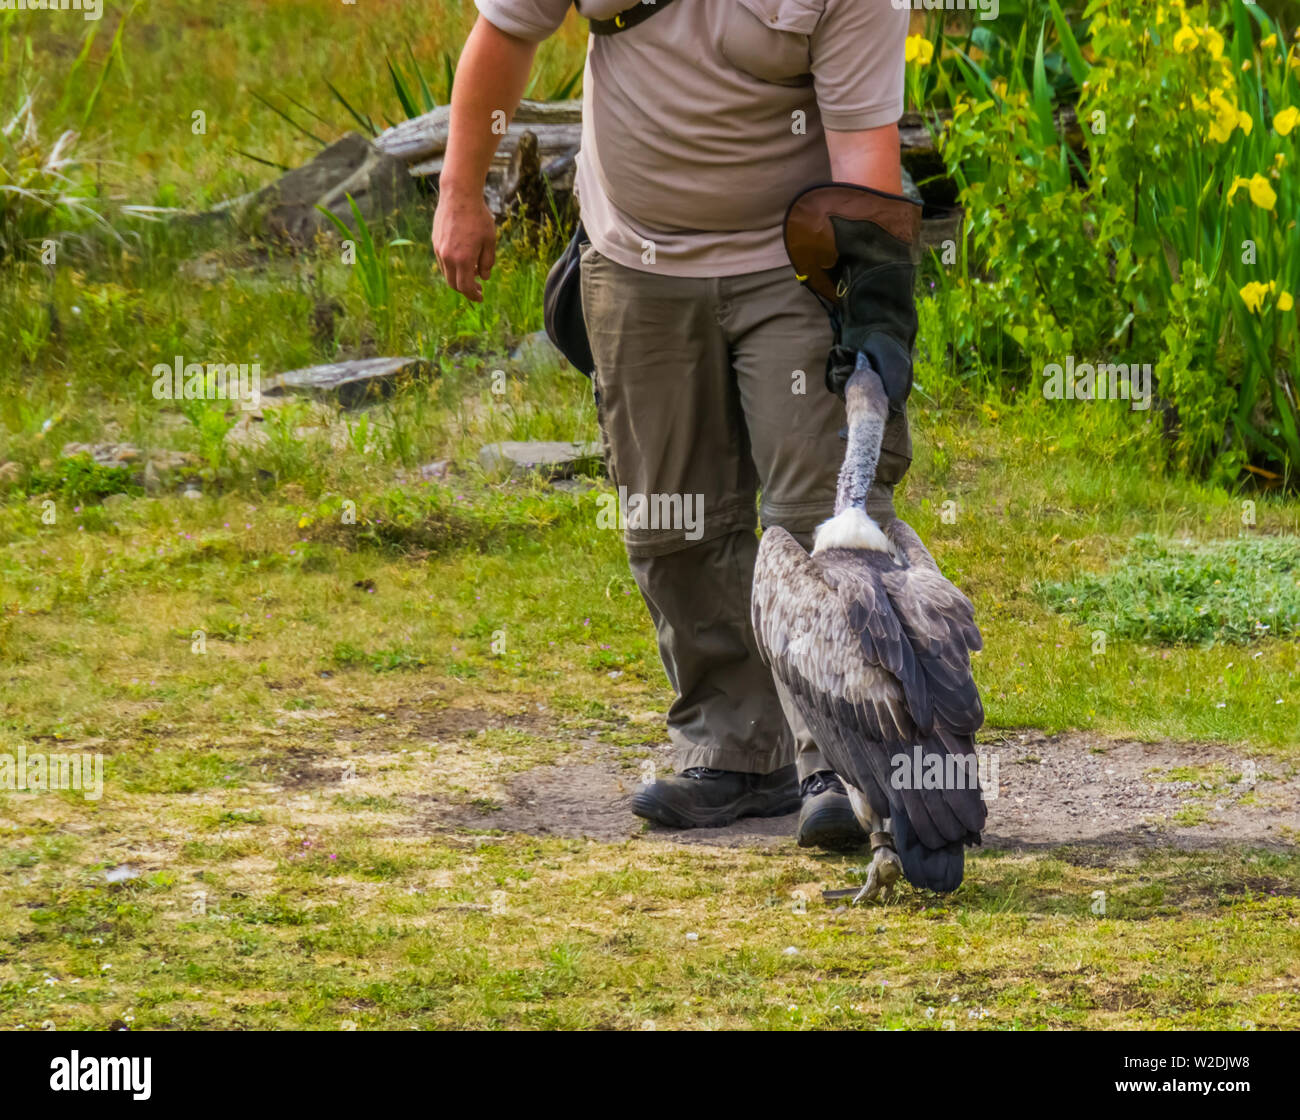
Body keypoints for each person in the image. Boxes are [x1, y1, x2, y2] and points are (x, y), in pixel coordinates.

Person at [434, 0, 914, 850]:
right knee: (673, 517)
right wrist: (460, 192)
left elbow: (863, 161)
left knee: (824, 512)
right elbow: (506, 33)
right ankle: (735, 749)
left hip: (793, 260)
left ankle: (847, 763)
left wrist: (874, 319)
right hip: (634, 258)